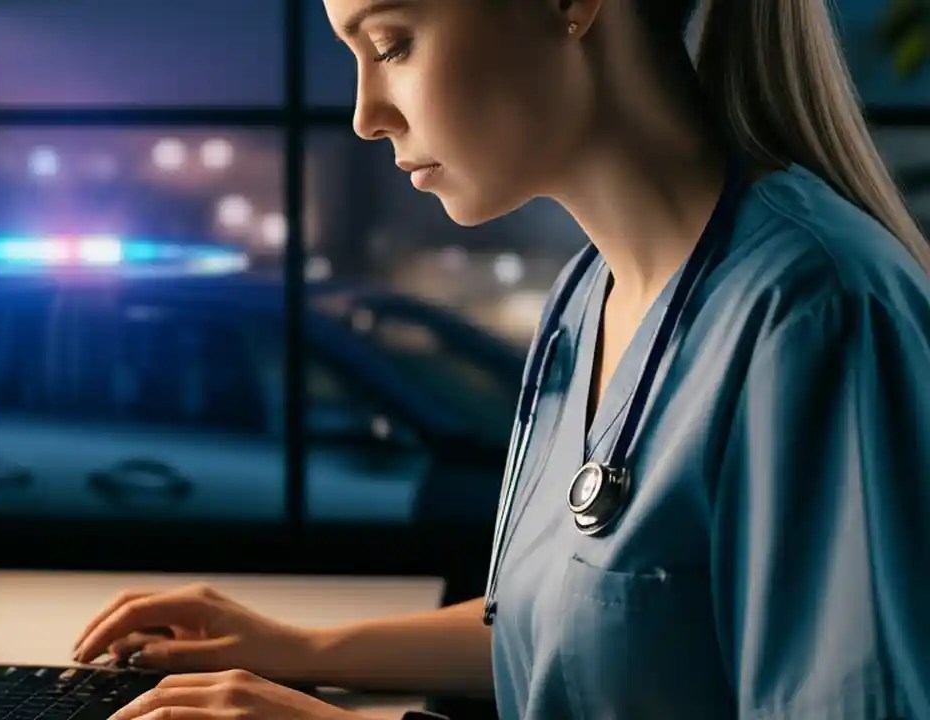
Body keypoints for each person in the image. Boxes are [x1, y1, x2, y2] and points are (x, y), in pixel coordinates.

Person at [72, 0, 930, 718]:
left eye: (391, 45)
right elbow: (590, 632)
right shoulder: (587, 296)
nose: (367, 113)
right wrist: (304, 648)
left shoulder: (817, 313)